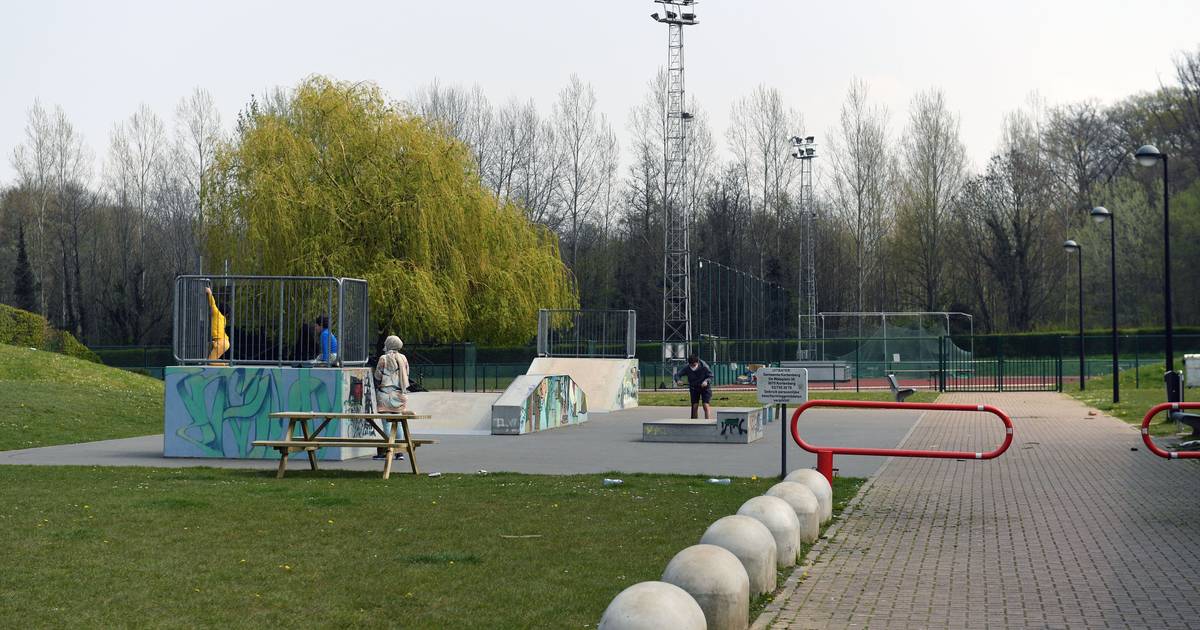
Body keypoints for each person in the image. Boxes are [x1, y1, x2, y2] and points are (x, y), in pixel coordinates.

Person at [373, 335, 410, 461]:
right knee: (398, 423)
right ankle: (399, 452)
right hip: (400, 394)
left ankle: (388, 450)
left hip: (385, 394)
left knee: (386, 424)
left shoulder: (383, 358)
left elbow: (378, 375)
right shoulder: (403, 358)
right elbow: (407, 373)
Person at [674, 354, 714, 420]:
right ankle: (694, 422)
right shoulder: (687, 367)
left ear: (697, 362)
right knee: (694, 406)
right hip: (694, 388)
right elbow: (677, 375)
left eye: (694, 365)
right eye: (691, 365)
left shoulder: (704, 366)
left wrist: (706, 381)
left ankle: (708, 422)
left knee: (705, 405)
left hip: (705, 387)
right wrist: (678, 380)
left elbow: (711, 376)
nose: (692, 366)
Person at [205, 286, 229, 363]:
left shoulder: (217, 314)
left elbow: (212, 304)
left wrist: (209, 293)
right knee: (212, 361)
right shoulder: (223, 319)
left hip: (221, 342)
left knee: (211, 362)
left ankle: (224, 365)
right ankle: (221, 363)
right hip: (224, 342)